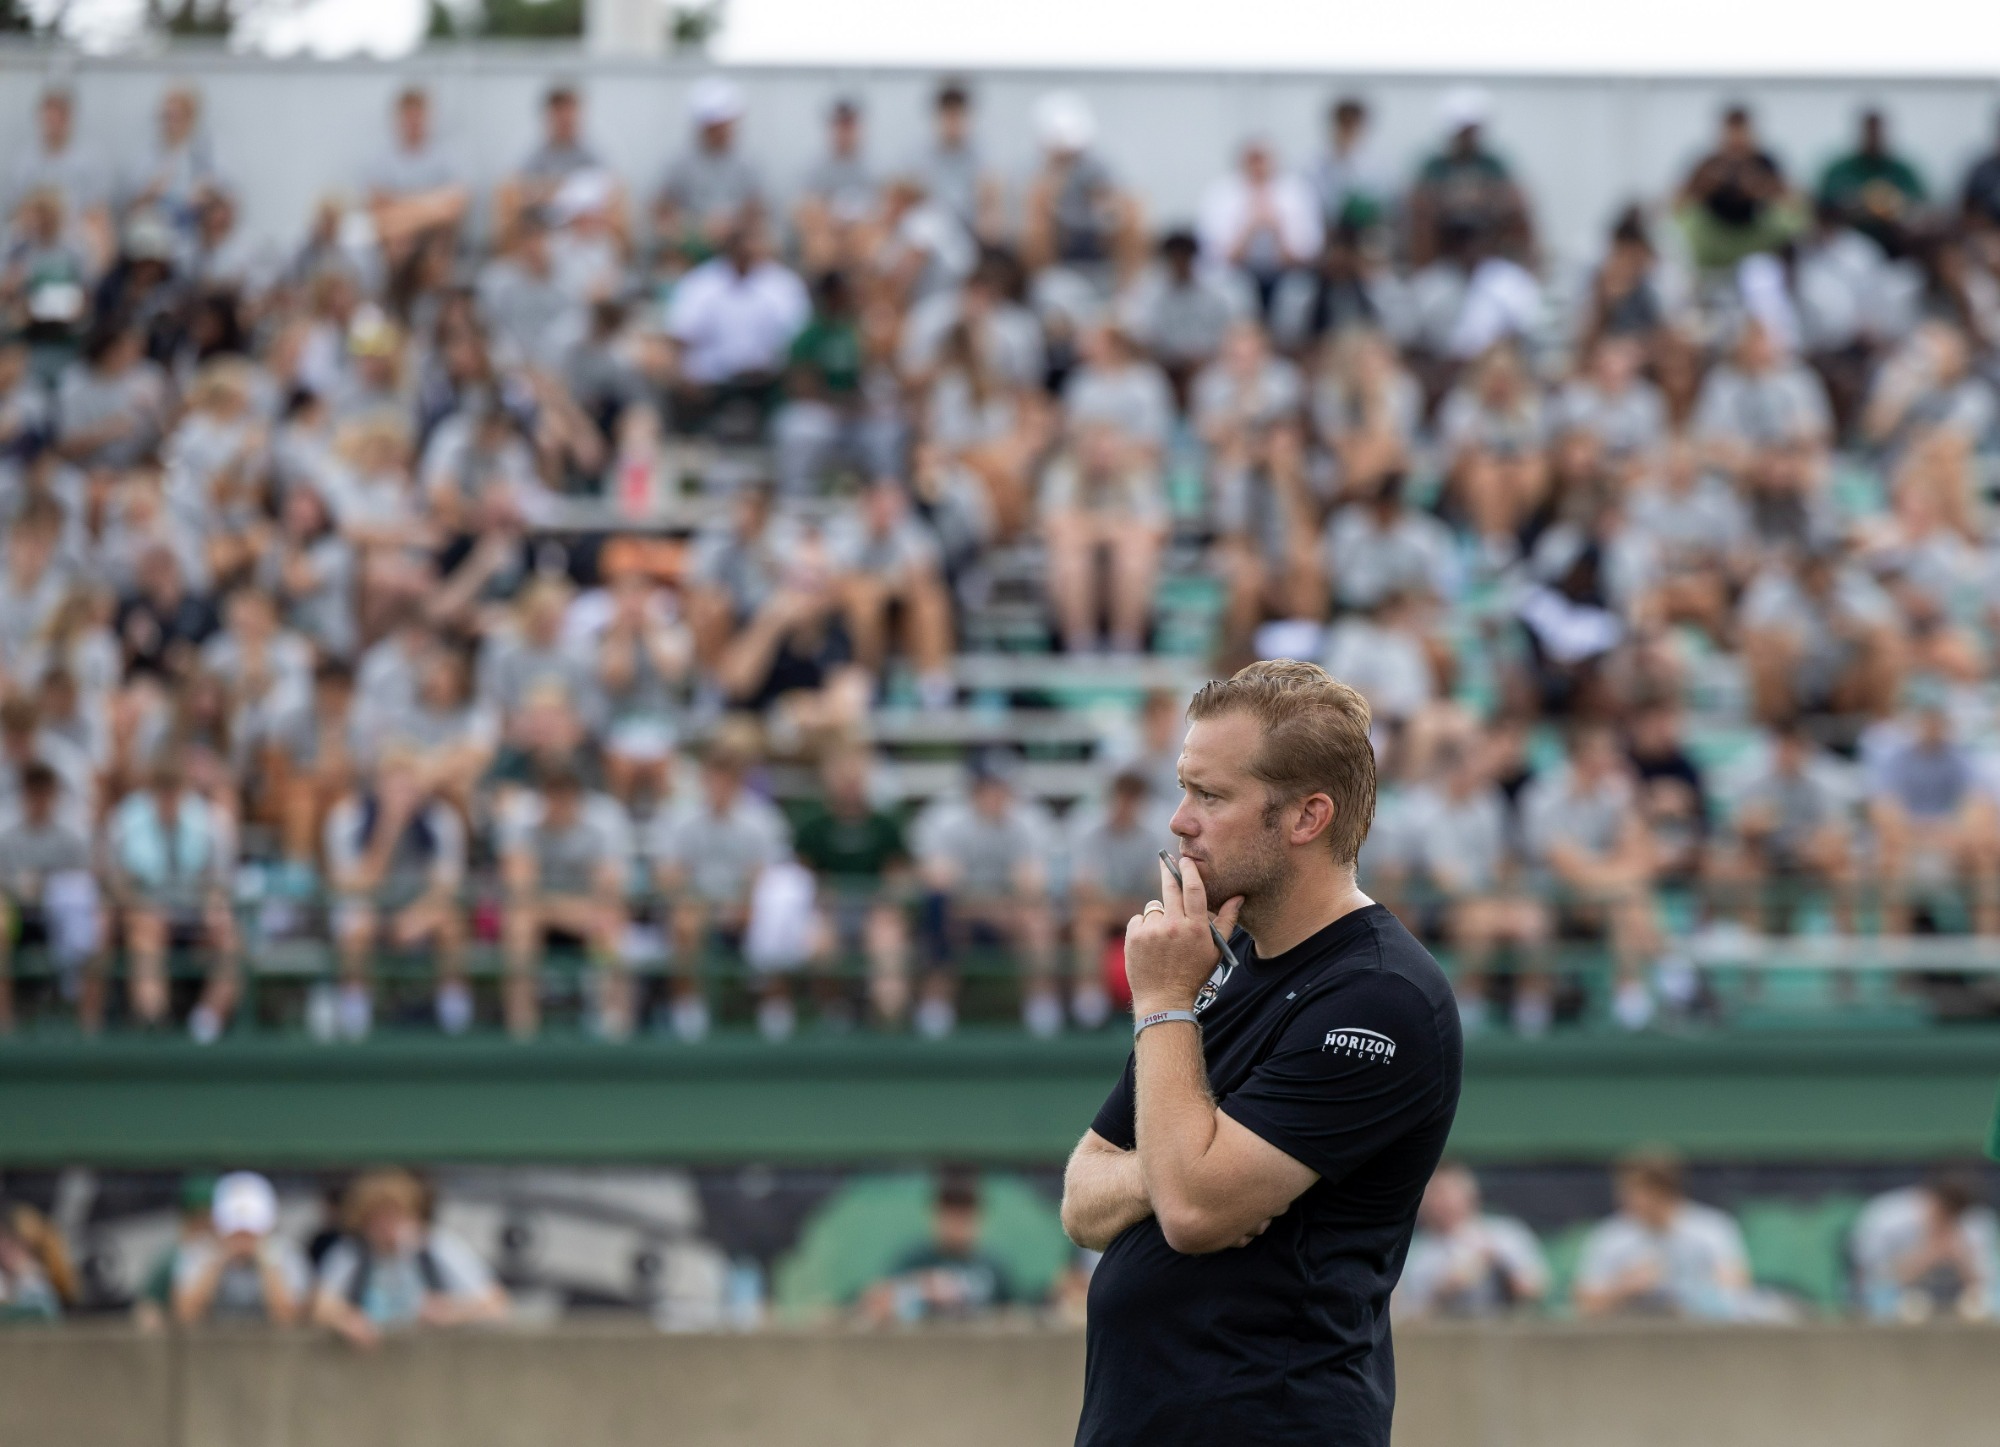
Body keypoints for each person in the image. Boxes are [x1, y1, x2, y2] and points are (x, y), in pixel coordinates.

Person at [1062, 660, 1461, 1447]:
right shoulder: (1215, 964)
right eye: (1184, 788)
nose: (1180, 820)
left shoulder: (1381, 997)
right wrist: (1176, 1159)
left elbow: (1194, 1211)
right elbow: (1081, 1197)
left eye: (1210, 796)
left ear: (1308, 816)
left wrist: (1162, 1003)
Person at [650, 738, 793, 1041]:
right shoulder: (679, 817)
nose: (719, 786)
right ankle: (689, 1015)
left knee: (776, 918)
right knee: (684, 921)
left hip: (748, 908)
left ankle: (774, 1013)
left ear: (738, 781)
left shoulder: (762, 820)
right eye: (714, 776)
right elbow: (667, 877)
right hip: (697, 905)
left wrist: (744, 904)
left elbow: (769, 878)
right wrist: (697, 900)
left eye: (727, 777)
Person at [323, 747, 470, 1039]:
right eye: (393, 784)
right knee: (356, 927)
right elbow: (353, 885)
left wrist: (415, 918)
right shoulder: (347, 817)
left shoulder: (441, 820)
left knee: (451, 923)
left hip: (421, 912)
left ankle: (453, 1011)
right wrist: (389, 827)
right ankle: (355, 1015)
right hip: (368, 908)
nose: (402, 793)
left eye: (408, 784)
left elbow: (446, 886)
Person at [912, 752, 1061, 1038]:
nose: (994, 795)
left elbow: (1033, 886)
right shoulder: (945, 819)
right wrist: (991, 908)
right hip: (964, 915)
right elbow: (939, 883)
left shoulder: (1029, 820)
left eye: (1000, 786)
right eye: (986, 787)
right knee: (938, 913)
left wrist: (996, 905)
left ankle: (1041, 1006)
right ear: (973, 789)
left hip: (1009, 916)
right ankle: (936, 1005)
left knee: (1038, 922)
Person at [103, 753, 239, 1040]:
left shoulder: (211, 821)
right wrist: (140, 903)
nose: (169, 796)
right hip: (147, 913)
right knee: (145, 927)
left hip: (195, 914)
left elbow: (220, 884)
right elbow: (115, 883)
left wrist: (212, 906)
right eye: (162, 787)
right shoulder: (125, 820)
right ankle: (154, 1022)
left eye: (174, 787)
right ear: (151, 789)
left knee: (227, 932)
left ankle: (205, 1026)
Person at [498, 760, 635, 1040]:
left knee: (609, 924)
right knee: (519, 924)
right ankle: (522, 1030)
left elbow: (608, 891)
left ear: (578, 793)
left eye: (565, 790)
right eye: (552, 790)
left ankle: (614, 1029)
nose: (559, 799)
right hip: (541, 916)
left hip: (584, 914)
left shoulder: (604, 820)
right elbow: (520, 889)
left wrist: (554, 906)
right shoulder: (520, 819)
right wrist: (561, 907)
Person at [312, 1169, 507, 1348]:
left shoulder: (436, 1247)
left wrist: (451, 1313)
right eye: (377, 1218)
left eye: (394, 1216)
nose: (386, 1227)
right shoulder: (350, 1253)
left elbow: (496, 1303)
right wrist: (347, 1319)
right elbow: (320, 1308)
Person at [792, 744, 913, 1030]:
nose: (848, 784)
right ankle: (834, 1012)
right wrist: (823, 899)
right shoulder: (813, 826)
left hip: (875, 911)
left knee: (888, 941)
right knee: (818, 943)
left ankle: (888, 1023)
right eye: (841, 776)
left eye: (855, 776)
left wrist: (883, 901)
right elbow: (801, 878)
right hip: (828, 911)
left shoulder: (885, 826)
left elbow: (899, 877)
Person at [1573, 1150, 1756, 1320]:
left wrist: (1699, 1292)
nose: (1624, 1197)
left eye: (1638, 1191)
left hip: (1698, 1333)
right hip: (1631, 1335)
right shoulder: (1609, 1235)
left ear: (1663, 1190)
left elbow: (1737, 1287)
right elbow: (1584, 1304)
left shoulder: (1712, 1228)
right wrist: (1625, 1288)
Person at [0, 760, 100, 1033]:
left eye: (44, 793)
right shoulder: (7, 840)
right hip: (19, 919)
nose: (39, 800)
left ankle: (86, 1026)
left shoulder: (70, 841)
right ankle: (4, 1024)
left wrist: (47, 887)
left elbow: (83, 882)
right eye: (33, 792)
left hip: (60, 920)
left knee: (90, 923)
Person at [1067, 768, 1171, 1029]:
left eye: (1132, 798)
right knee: (1089, 921)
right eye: (1123, 797)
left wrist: (1137, 906)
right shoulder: (1092, 836)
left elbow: (1158, 887)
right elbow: (1086, 888)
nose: (1126, 805)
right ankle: (1089, 996)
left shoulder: (1151, 839)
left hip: (1140, 910)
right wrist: (1121, 907)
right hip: (1107, 912)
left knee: (1163, 919)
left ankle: (1159, 998)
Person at [859, 1171, 1016, 1325]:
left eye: (964, 1213)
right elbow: (874, 1300)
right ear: (936, 1214)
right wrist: (922, 1287)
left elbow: (1017, 1311)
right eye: (950, 1212)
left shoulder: (992, 1265)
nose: (957, 1221)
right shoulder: (915, 1259)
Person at [1395, 1161, 1548, 1318]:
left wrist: (1500, 1266)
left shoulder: (1506, 1234)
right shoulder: (1413, 1253)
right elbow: (1406, 1315)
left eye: (1450, 1192)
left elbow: (1536, 1290)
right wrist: (1446, 1289)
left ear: (1471, 1195)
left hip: (1507, 1328)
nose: (1443, 1201)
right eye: (1435, 1193)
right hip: (1445, 1331)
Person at [1196, 138, 1322, 318]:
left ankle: (1287, 336)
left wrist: (1278, 230)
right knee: (1231, 293)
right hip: (1240, 273)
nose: (1258, 167)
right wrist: (1249, 227)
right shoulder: (1221, 194)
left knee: (1298, 291)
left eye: (1262, 159)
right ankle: (1246, 332)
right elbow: (1216, 257)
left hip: (1285, 273)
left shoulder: (1296, 192)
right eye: (1252, 160)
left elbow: (1308, 254)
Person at [1852, 1170, 1997, 1321]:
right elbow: (1871, 1281)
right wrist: (1926, 1256)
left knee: (1979, 1307)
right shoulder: (1888, 1217)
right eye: (1943, 1211)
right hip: (1897, 1300)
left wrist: (1962, 1258)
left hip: (1953, 1301)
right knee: (1910, 1308)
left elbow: (1987, 1284)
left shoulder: (1976, 1223)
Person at [171, 1170, 308, 1327]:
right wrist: (218, 1261)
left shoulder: (285, 1252)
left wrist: (265, 1262)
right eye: (234, 1230)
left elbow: (290, 1319)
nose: (242, 1237)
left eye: (250, 1230)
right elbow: (185, 1316)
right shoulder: (199, 1251)